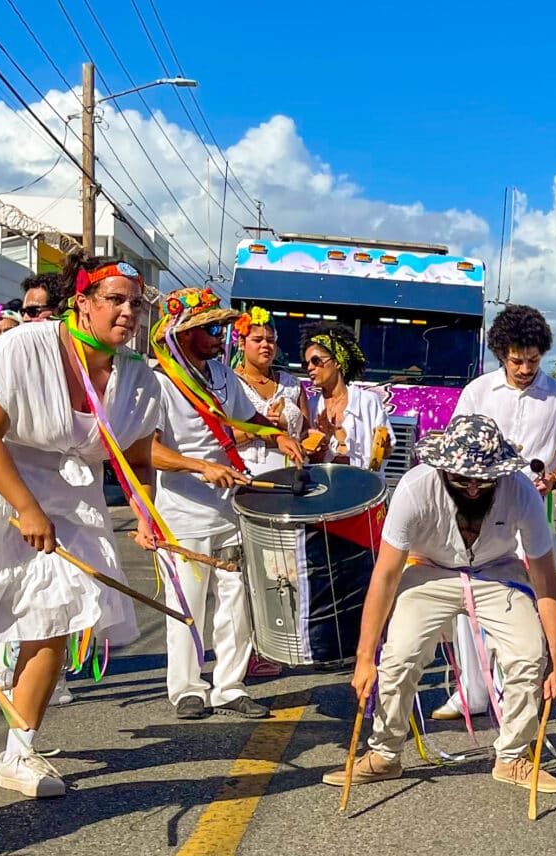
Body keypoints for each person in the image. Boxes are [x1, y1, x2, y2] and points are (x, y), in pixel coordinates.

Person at [0, 257, 167, 798]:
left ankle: (20, 749)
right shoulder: (24, 346)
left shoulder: (139, 377)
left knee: (58, 612)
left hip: (71, 495)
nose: (128, 312)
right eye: (115, 299)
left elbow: (136, 457)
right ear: (83, 303)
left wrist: (147, 514)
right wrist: (25, 507)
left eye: (135, 303)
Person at [323, 415, 556, 793]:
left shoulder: (521, 492)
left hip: (497, 571)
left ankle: (513, 756)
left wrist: (555, 659)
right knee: (399, 656)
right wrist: (364, 657)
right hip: (429, 570)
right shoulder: (414, 488)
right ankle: (384, 754)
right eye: (462, 479)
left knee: (529, 655)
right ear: (442, 467)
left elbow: (546, 580)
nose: (473, 489)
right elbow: (385, 575)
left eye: (484, 480)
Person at [147, 287, 306, 720]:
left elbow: (248, 420)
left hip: (229, 509)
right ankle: (187, 689)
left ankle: (230, 686)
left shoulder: (222, 375)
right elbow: (149, 451)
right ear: (183, 334)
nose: (222, 336)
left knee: (237, 601)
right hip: (183, 514)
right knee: (188, 605)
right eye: (212, 329)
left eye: (220, 327)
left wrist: (277, 435)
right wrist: (201, 466)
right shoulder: (158, 382)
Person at [433, 303, 556, 722]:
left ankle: (512, 688)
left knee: (525, 597)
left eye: (533, 360)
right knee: (469, 592)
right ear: (501, 353)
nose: (525, 369)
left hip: (530, 509)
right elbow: (454, 449)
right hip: (478, 506)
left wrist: (553, 478)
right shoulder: (478, 392)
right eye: (517, 360)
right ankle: (471, 691)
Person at [230, 306, 307, 474]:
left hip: (292, 473)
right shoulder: (229, 382)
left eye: (271, 340)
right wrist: (257, 428)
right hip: (247, 474)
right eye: (257, 340)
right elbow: (218, 437)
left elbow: (306, 434)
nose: (265, 345)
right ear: (242, 343)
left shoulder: (292, 384)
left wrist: (319, 440)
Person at [302, 325, 389, 469]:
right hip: (323, 481)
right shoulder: (311, 406)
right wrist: (323, 442)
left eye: (316, 361)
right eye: (306, 364)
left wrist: (382, 450)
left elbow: (380, 457)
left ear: (337, 362)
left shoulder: (368, 402)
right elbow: (311, 462)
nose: (310, 367)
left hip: (364, 481)